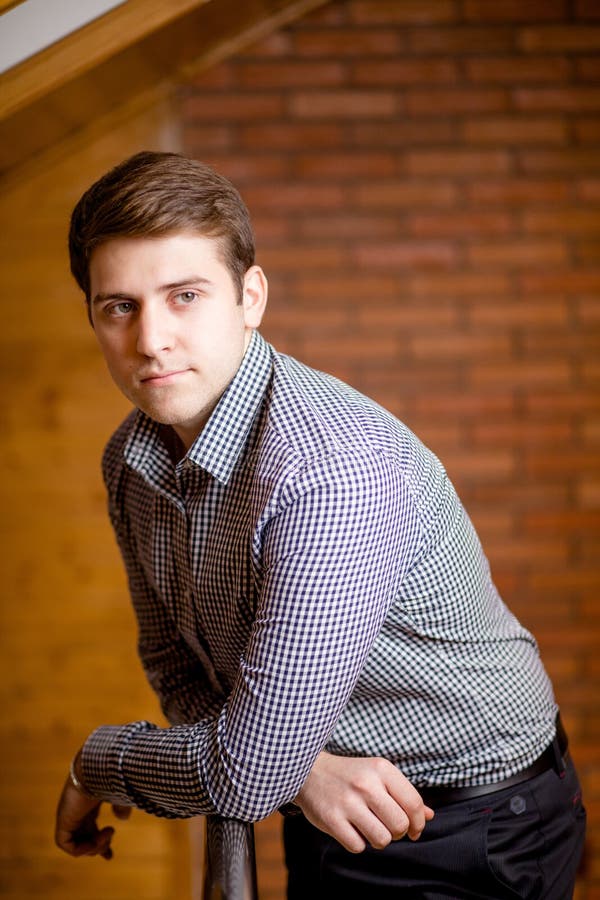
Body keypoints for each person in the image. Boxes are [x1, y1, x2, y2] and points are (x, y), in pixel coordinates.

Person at [55, 151, 586, 898]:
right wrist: (291, 767)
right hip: (329, 794)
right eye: (120, 306)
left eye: (184, 296)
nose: (150, 340)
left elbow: (246, 773)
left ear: (250, 297)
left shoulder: (328, 469)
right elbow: (181, 670)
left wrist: (101, 760)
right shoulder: (130, 463)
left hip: (474, 821)